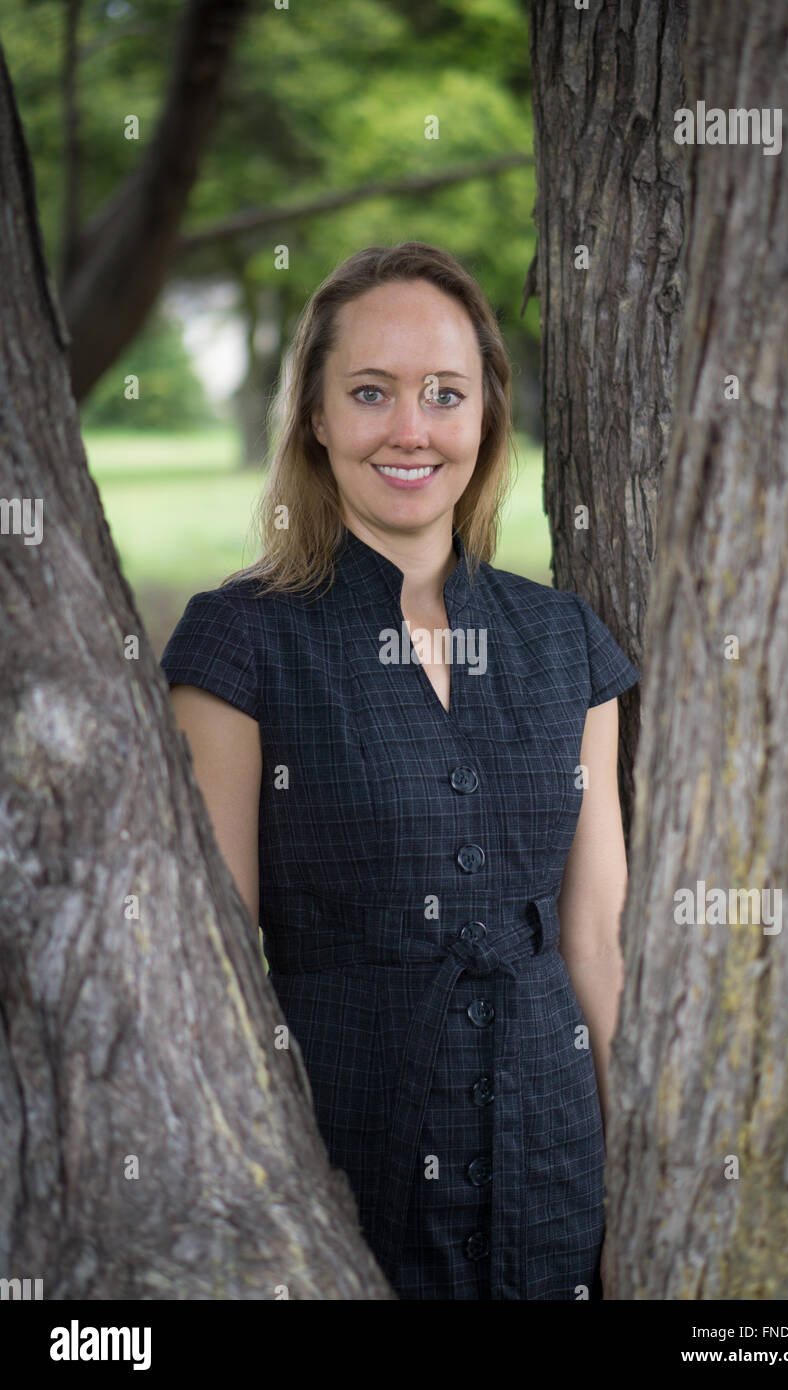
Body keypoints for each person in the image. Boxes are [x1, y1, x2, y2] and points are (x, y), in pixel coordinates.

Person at [159, 241, 640, 1301]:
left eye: (444, 394)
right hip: (343, 1162)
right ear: (317, 418)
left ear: (484, 418)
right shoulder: (236, 644)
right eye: (369, 392)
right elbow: (211, 966)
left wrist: (633, 1208)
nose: (410, 430)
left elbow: (592, 939)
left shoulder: (567, 643)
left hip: (551, 1161)